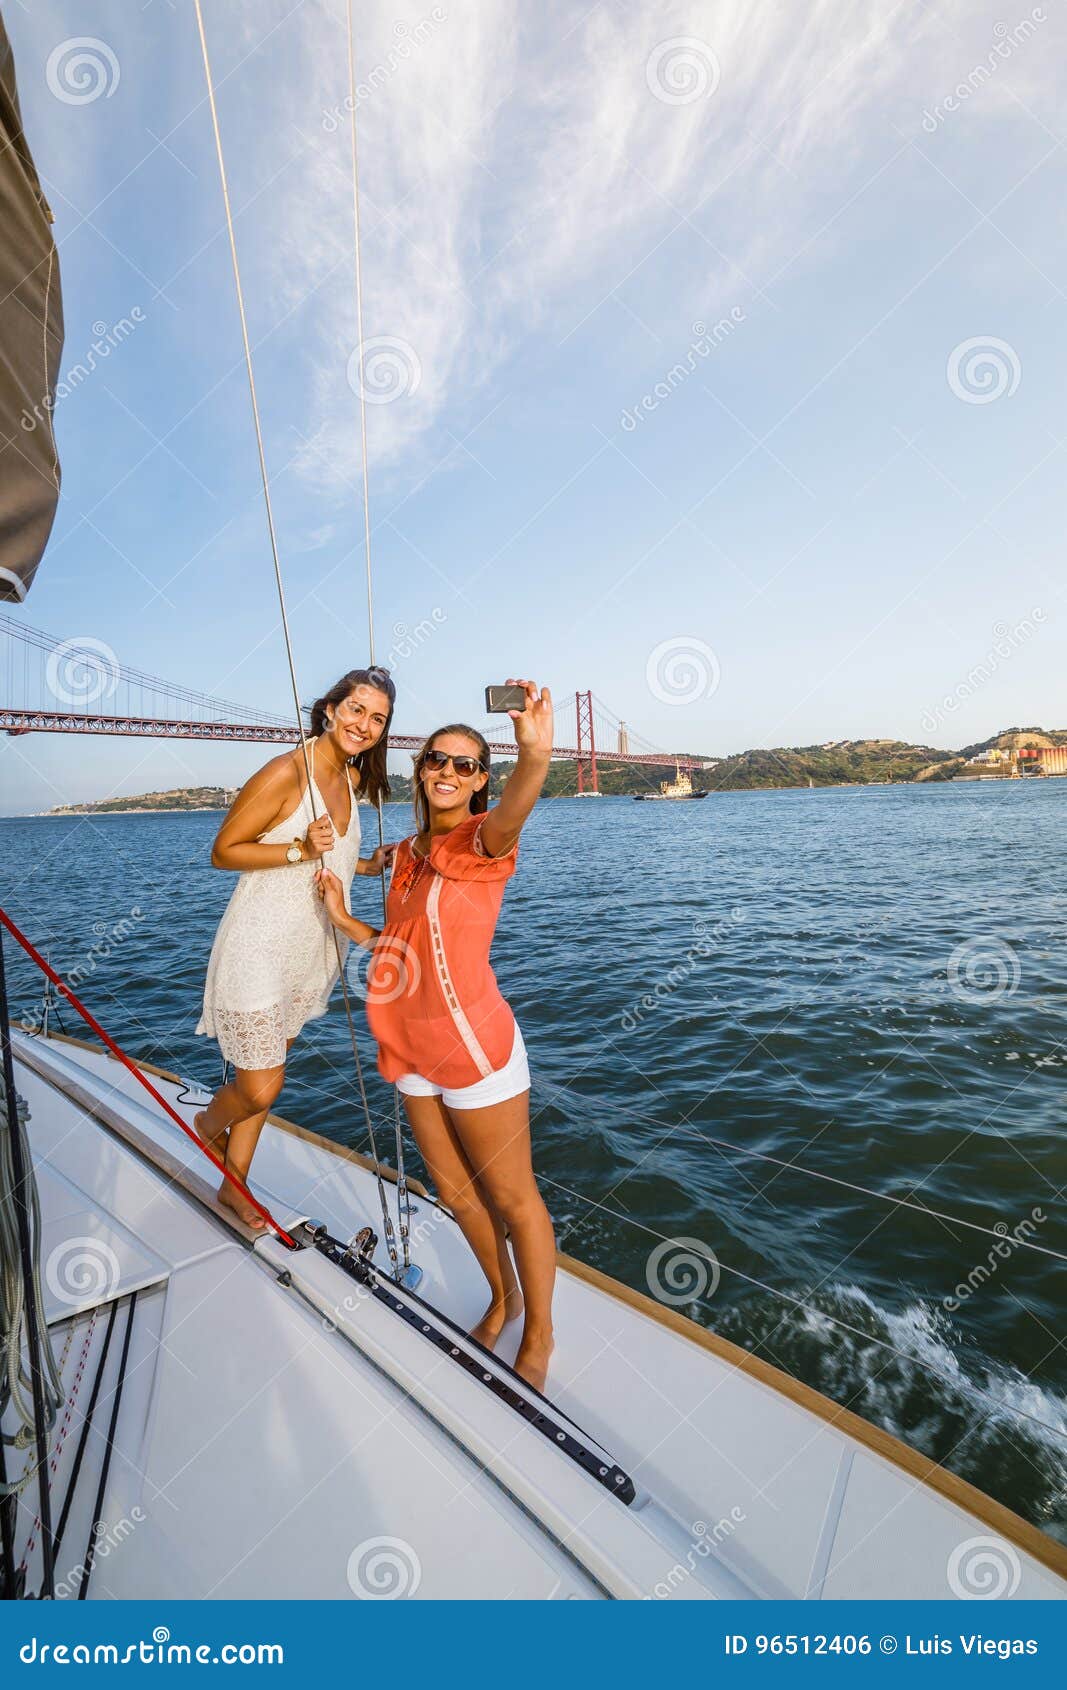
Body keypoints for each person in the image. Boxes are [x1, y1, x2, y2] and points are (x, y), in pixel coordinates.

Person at [316, 679, 556, 1390]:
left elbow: (517, 810)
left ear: (482, 781)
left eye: (465, 765)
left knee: (513, 1199)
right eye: (435, 760)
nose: (448, 772)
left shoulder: (480, 842)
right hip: (410, 1046)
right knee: (453, 1192)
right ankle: (502, 1297)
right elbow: (396, 938)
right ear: (418, 770)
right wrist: (340, 897)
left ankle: (538, 1333)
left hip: (475, 1047)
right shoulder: (406, 852)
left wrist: (534, 756)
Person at [194, 666, 396, 1228]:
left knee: (263, 1080)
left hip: (308, 953)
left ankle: (233, 1186)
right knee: (262, 1085)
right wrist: (297, 853)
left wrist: (363, 864)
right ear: (329, 709)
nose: (365, 724)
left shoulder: (352, 781)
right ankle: (206, 1127)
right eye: (356, 709)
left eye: (378, 717)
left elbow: (327, 855)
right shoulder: (287, 772)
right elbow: (223, 851)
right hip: (258, 945)